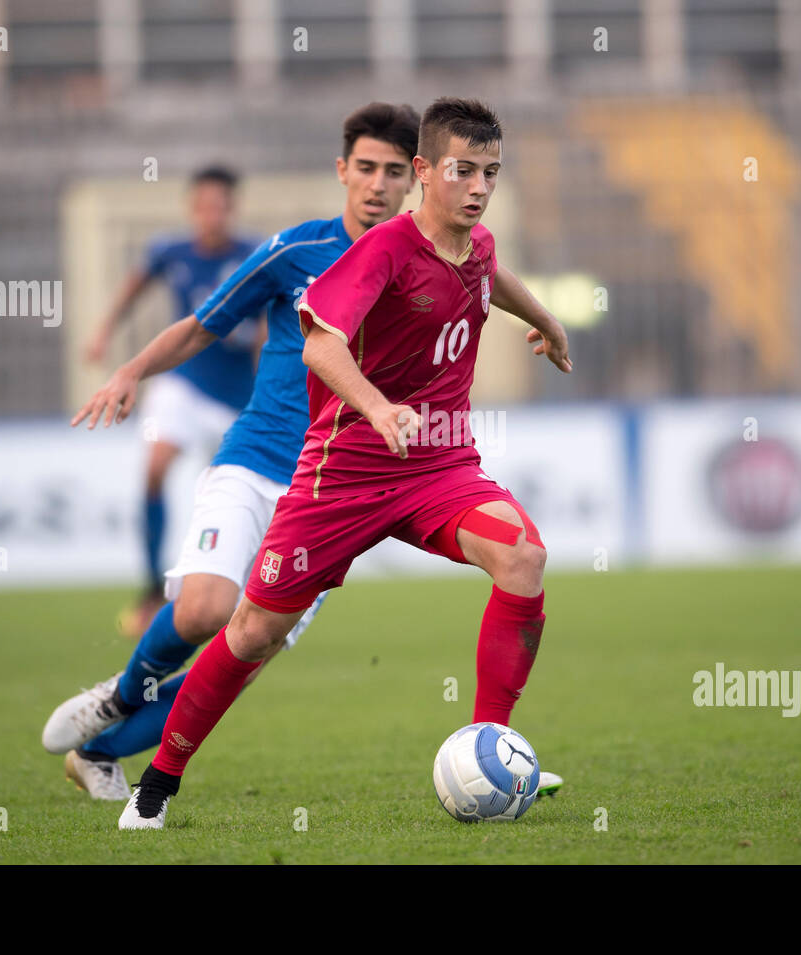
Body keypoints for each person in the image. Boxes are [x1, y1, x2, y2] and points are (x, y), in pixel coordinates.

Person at [118, 97, 573, 830]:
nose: (479, 186)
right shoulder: (384, 250)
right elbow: (322, 343)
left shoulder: (476, 243)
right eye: (463, 171)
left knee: (523, 557)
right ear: (425, 173)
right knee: (251, 634)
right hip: (344, 473)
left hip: (438, 469)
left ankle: (491, 742)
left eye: (491, 171)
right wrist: (378, 407)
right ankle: (159, 781)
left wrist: (547, 322)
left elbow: (495, 274)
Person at [43, 104, 422, 799]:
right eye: (365, 167)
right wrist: (129, 371)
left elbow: (482, 287)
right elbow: (202, 325)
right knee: (203, 611)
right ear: (343, 171)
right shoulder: (294, 252)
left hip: (332, 496)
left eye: (394, 172)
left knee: (244, 651)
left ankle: (98, 751)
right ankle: (121, 695)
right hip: (253, 460)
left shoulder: (425, 270)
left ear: (414, 180)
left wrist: (541, 320)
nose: (377, 184)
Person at [83, 166, 263, 637]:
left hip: (237, 398)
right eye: (204, 205)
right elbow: (133, 288)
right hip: (182, 385)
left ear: (232, 209)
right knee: (156, 468)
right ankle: (148, 588)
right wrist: (103, 333)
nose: (212, 215)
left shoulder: (255, 256)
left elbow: (268, 323)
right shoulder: (171, 252)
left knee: (234, 494)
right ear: (192, 209)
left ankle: (244, 596)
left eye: (221, 206)